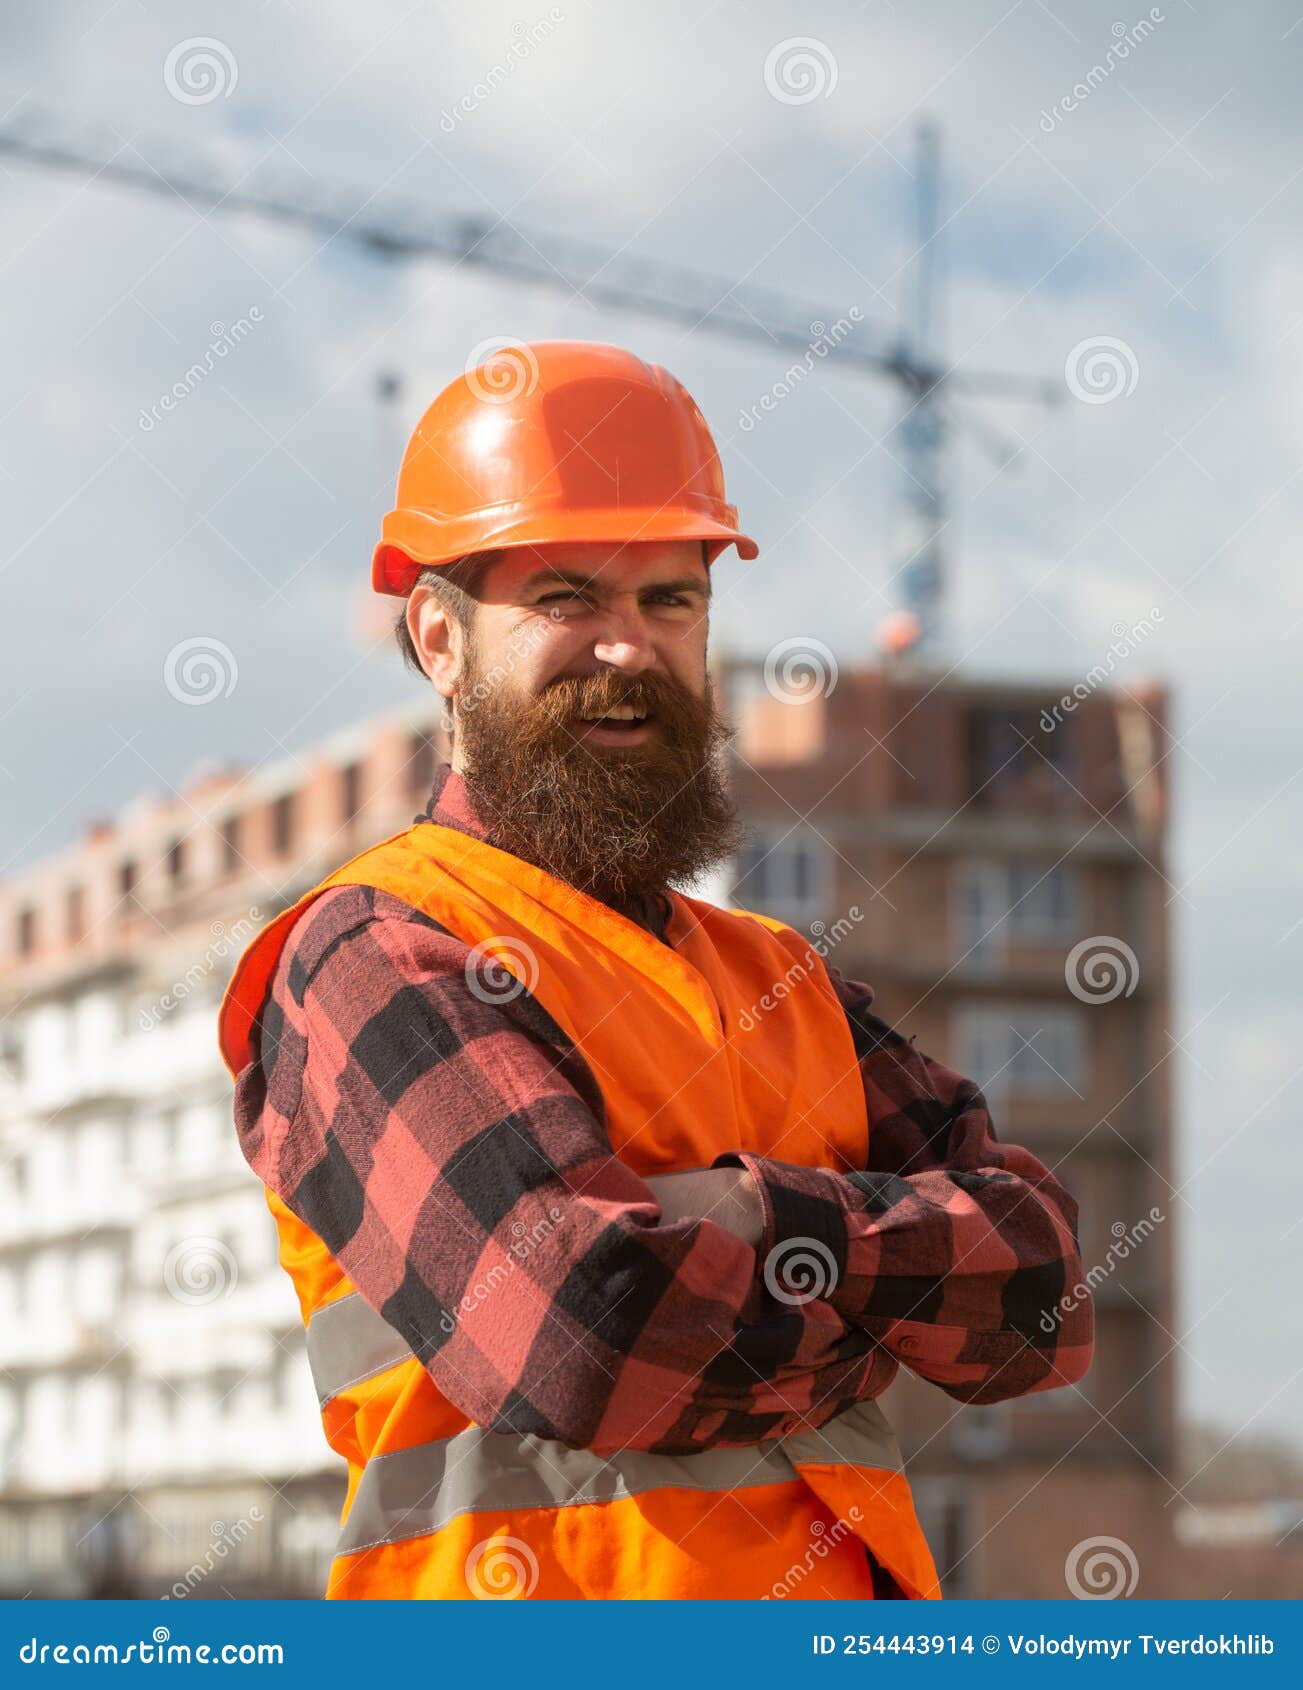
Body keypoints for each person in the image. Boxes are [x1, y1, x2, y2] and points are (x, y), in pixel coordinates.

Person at [218, 339, 1092, 1602]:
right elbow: (587, 1331)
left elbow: (1040, 1298)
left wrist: (736, 1218)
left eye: (668, 601)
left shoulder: (779, 974)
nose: (627, 649)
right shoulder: (371, 949)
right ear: (440, 639)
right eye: (566, 599)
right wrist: (879, 1297)